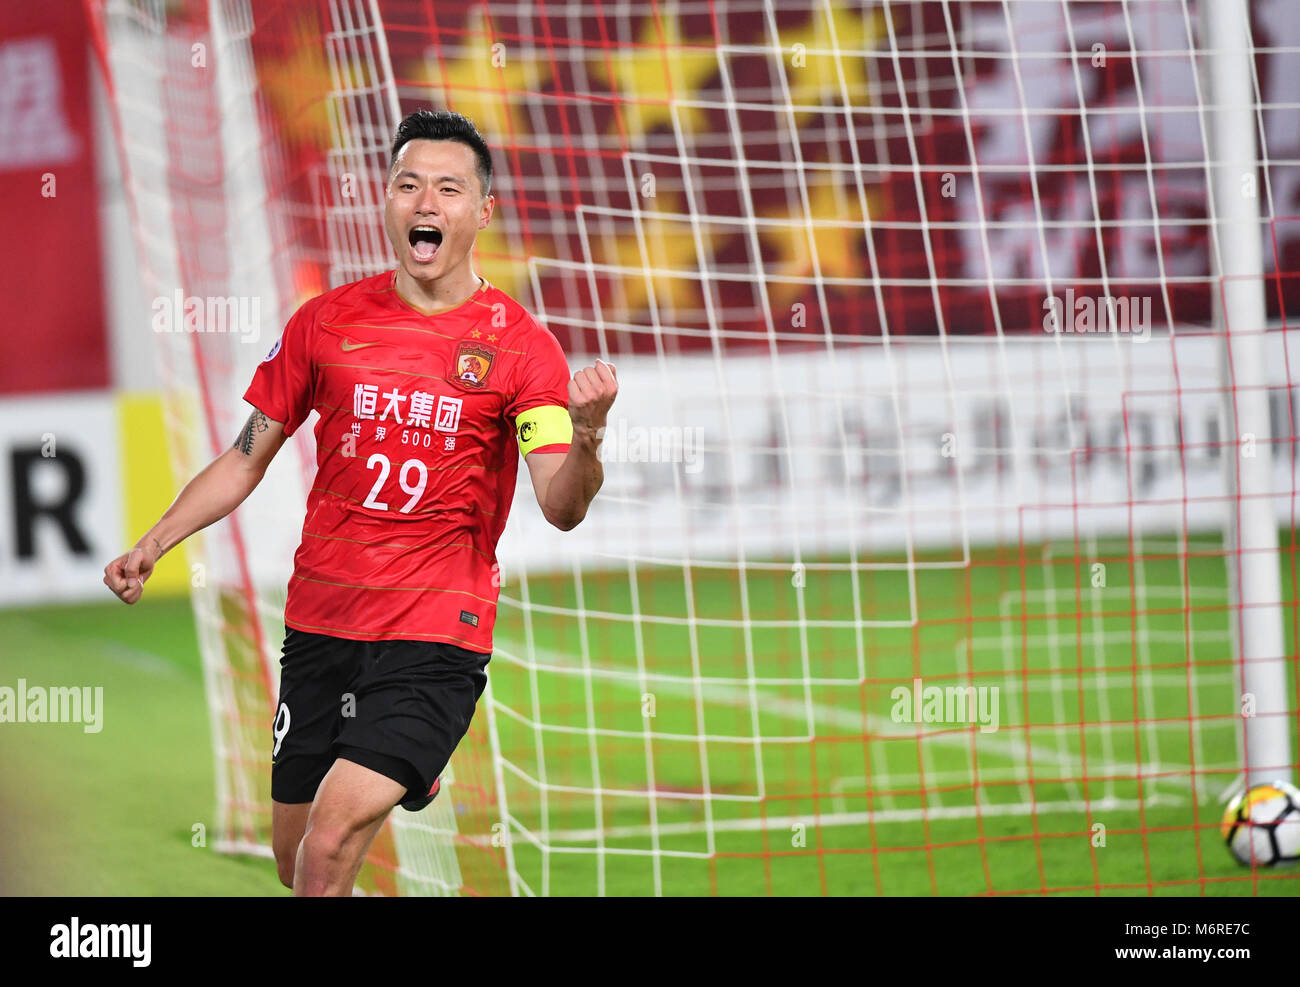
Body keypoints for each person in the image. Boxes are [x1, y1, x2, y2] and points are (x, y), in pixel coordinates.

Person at [103, 109, 617, 897]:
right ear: (385, 199)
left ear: (482, 212)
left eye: (448, 188)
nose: (424, 204)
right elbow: (245, 458)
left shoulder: (522, 348)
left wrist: (586, 438)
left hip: (435, 633)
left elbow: (561, 504)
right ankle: (408, 770)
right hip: (322, 623)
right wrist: (155, 540)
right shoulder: (325, 324)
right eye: (408, 184)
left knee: (332, 839)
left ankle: (407, 750)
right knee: (295, 856)